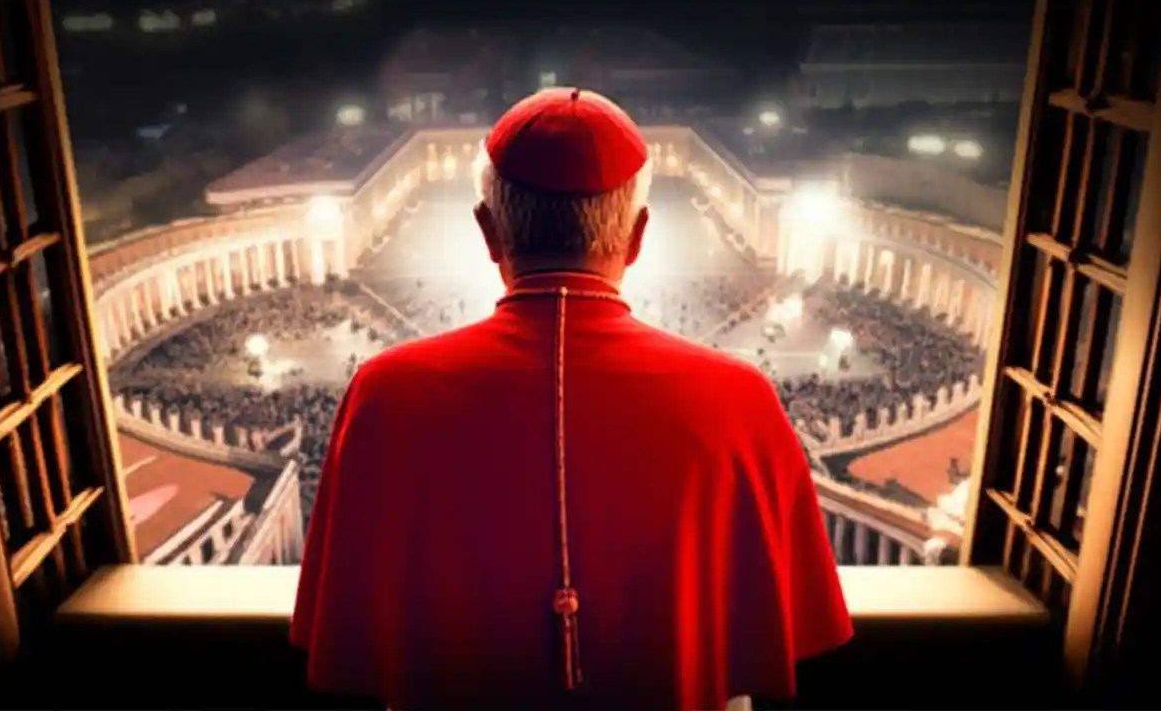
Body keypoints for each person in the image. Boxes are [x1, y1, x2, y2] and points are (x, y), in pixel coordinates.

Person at [291, 88, 852, 711]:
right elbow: (790, 630)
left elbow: (348, 638)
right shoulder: (739, 399)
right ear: (638, 236)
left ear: (488, 231)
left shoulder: (384, 395)